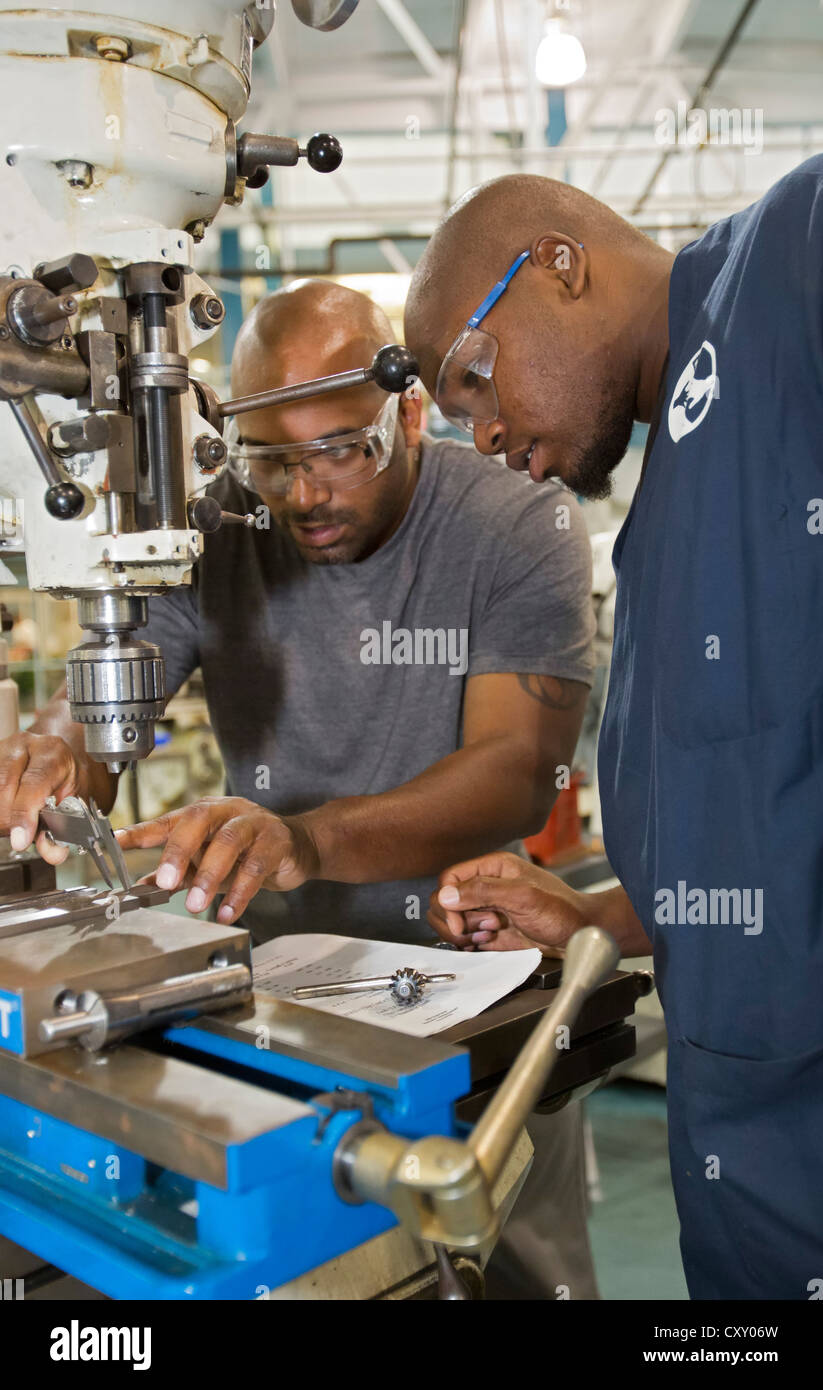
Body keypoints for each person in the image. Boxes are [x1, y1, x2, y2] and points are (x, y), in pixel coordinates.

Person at [0, 278, 598, 1298]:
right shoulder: (223, 524)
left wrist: (304, 840)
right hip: (274, 994)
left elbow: (513, 770)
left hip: (473, 990)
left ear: (407, 410)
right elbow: (113, 707)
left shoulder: (514, 521)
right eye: (272, 458)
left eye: (338, 450)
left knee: (510, 1266)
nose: (306, 493)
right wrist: (57, 751)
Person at [404, 157, 823, 1300]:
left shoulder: (794, 256)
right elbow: (771, 825)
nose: (484, 436)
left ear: (558, 264)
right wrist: (596, 913)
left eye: (477, 382)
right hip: (750, 1204)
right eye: (457, 419)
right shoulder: (657, 542)